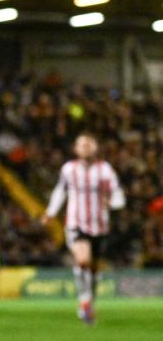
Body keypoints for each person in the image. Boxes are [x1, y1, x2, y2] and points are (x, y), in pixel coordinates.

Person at [40, 133, 125, 325]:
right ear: (75, 149)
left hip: (99, 227)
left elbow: (118, 194)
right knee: (83, 259)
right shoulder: (69, 169)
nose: (85, 147)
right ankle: (84, 300)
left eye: (89, 144)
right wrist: (50, 212)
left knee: (93, 270)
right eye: (81, 144)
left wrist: (112, 203)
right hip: (75, 223)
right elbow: (60, 191)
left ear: (96, 147)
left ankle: (88, 301)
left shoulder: (105, 170)